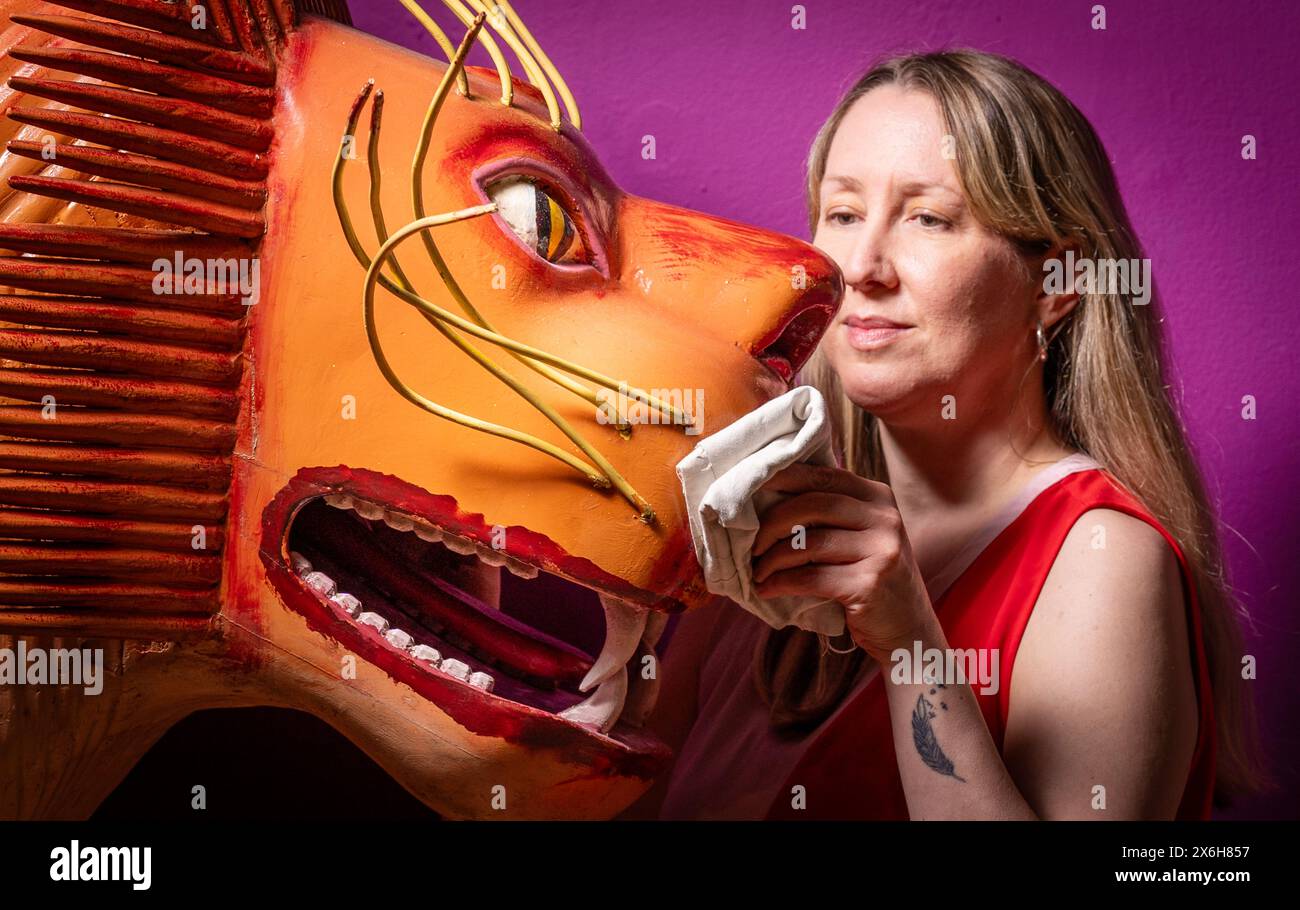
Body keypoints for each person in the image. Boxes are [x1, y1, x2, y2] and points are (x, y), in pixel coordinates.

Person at [621, 50, 1267, 821]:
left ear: (1056, 285)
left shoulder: (1102, 558)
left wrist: (910, 649)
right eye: (845, 213)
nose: (861, 266)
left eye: (928, 217)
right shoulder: (757, 521)